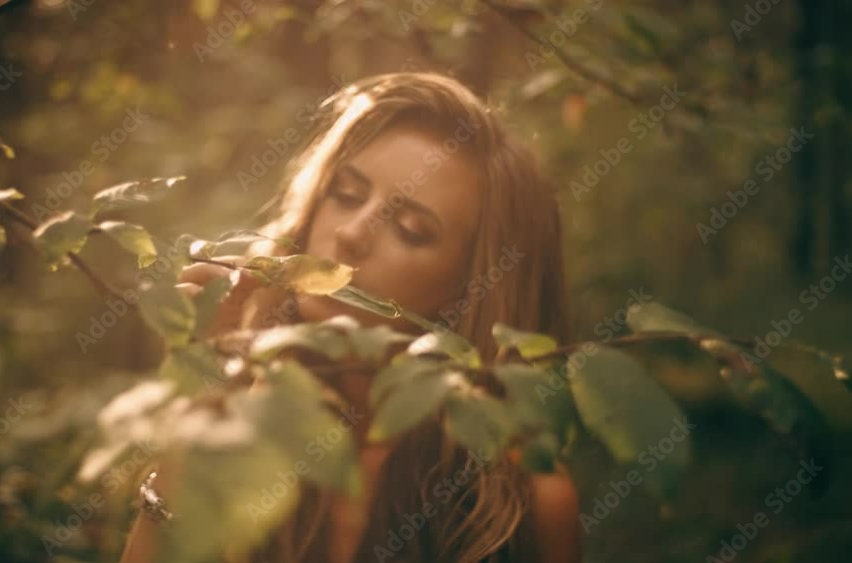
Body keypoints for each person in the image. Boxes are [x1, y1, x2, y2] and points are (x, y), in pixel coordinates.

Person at [119, 72, 580, 563]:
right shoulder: (246, 423)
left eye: (411, 229)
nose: (351, 234)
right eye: (346, 195)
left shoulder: (523, 503)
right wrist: (199, 409)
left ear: (470, 290)